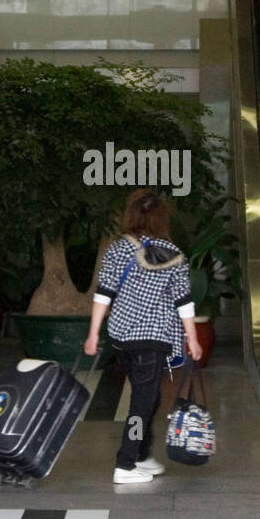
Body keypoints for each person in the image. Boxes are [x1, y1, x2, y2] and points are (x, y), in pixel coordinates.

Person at [84, 190, 202, 485]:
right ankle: (125, 463)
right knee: (142, 401)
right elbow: (183, 302)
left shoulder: (117, 249)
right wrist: (194, 339)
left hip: (123, 337)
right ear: (162, 218)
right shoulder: (173, 255)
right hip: (153, 338)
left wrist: (93, 333)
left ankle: (141, 455)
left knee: (148, 396)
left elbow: (104, 294)